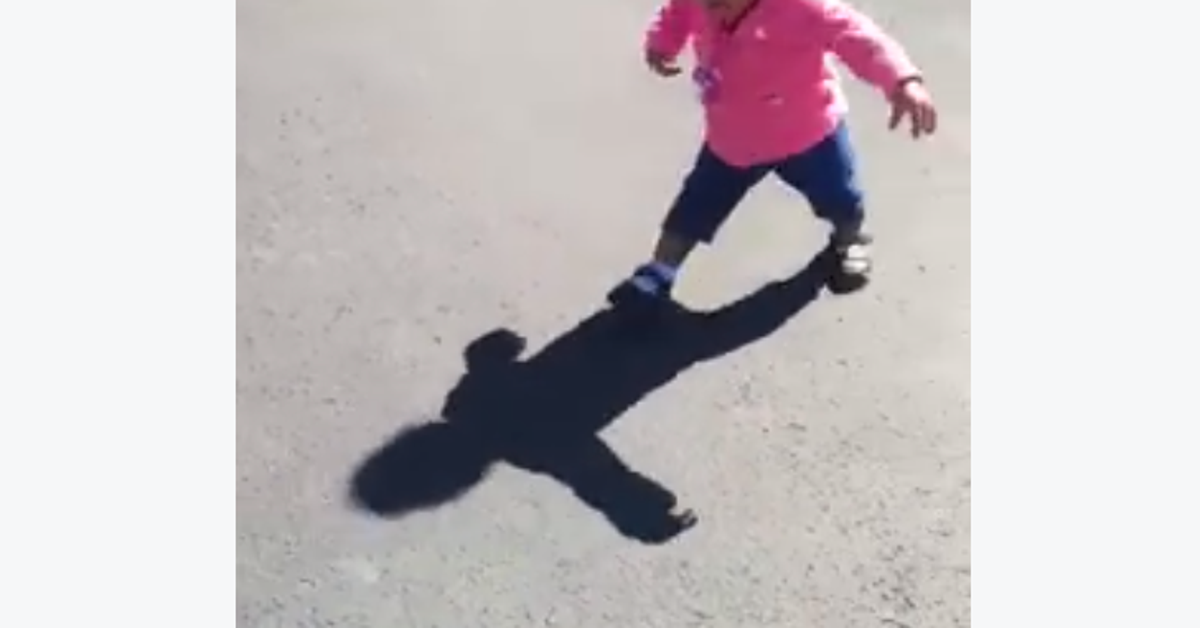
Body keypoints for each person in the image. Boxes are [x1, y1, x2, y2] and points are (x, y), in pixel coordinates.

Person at [608, 0, 938, 308]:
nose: (711, 10)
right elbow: (677, 12)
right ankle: (661, 269)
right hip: (733, 138)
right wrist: (663, 43)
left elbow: (858, 37)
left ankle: (848, 240)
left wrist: (901, 80)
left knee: (840, 195)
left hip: (808, 133)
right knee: (696, 204)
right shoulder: (700, 2)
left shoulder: (801, 9)